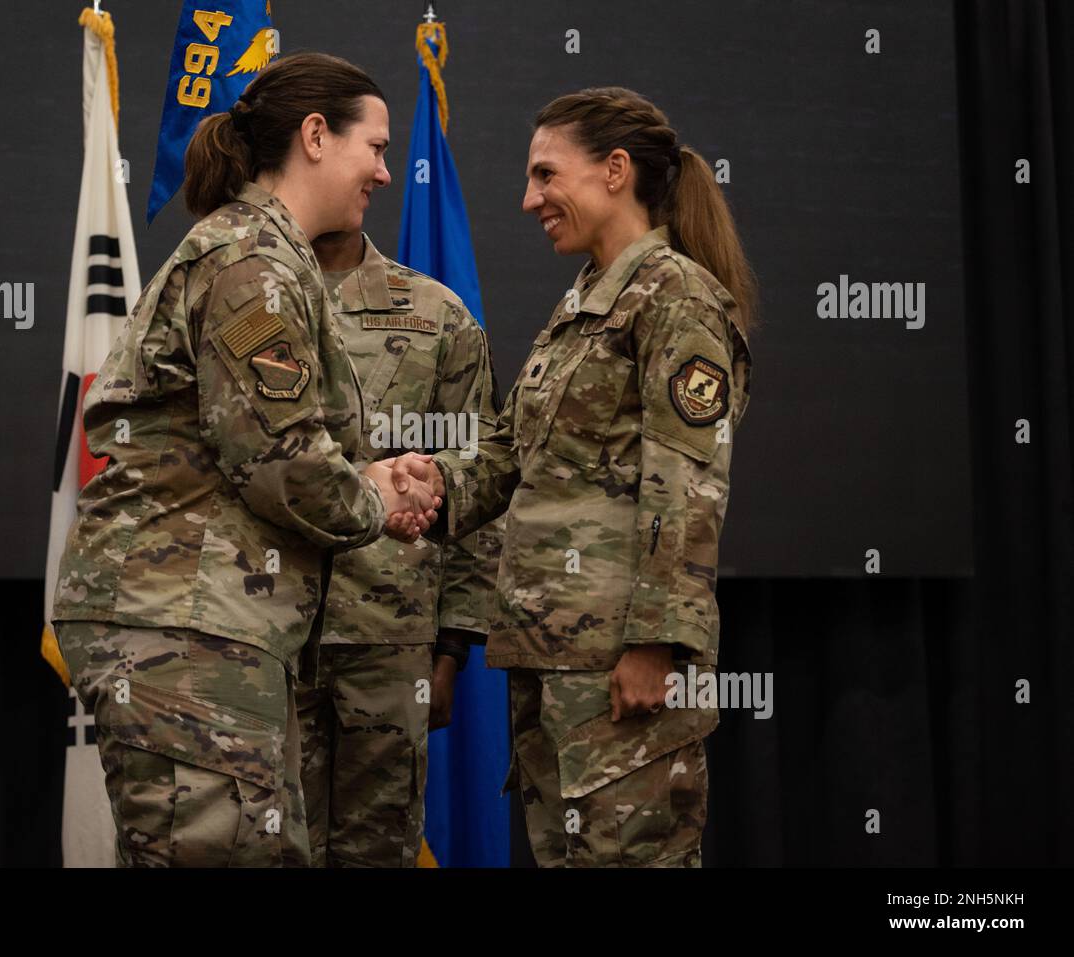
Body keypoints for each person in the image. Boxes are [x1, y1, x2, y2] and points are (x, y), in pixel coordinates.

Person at [50, 52, 440, 868]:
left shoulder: (263, 255)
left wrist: (368, 480)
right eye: (373, 145)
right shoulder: (249, 264)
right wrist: (374, 496)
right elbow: (282, 460)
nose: (383, 169)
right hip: (183, 624)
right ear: (314, 136)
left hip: (203, 622)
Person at [392, 87, 755, 867]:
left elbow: (687, 483)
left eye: (546, 175)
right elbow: (509, 457)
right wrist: (430, 482)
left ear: (615, 170)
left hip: (623, 670)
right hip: (553, 667)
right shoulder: (581, 307)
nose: (530, 199)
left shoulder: (676, 297)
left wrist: (656, 646)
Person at [297, 228, 501, 867]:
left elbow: (478, 490)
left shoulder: (436, 315)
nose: (379, 170)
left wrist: (451, 649)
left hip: (388, 645)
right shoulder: (245, 296)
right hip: (263, 636)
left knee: (376, 854)